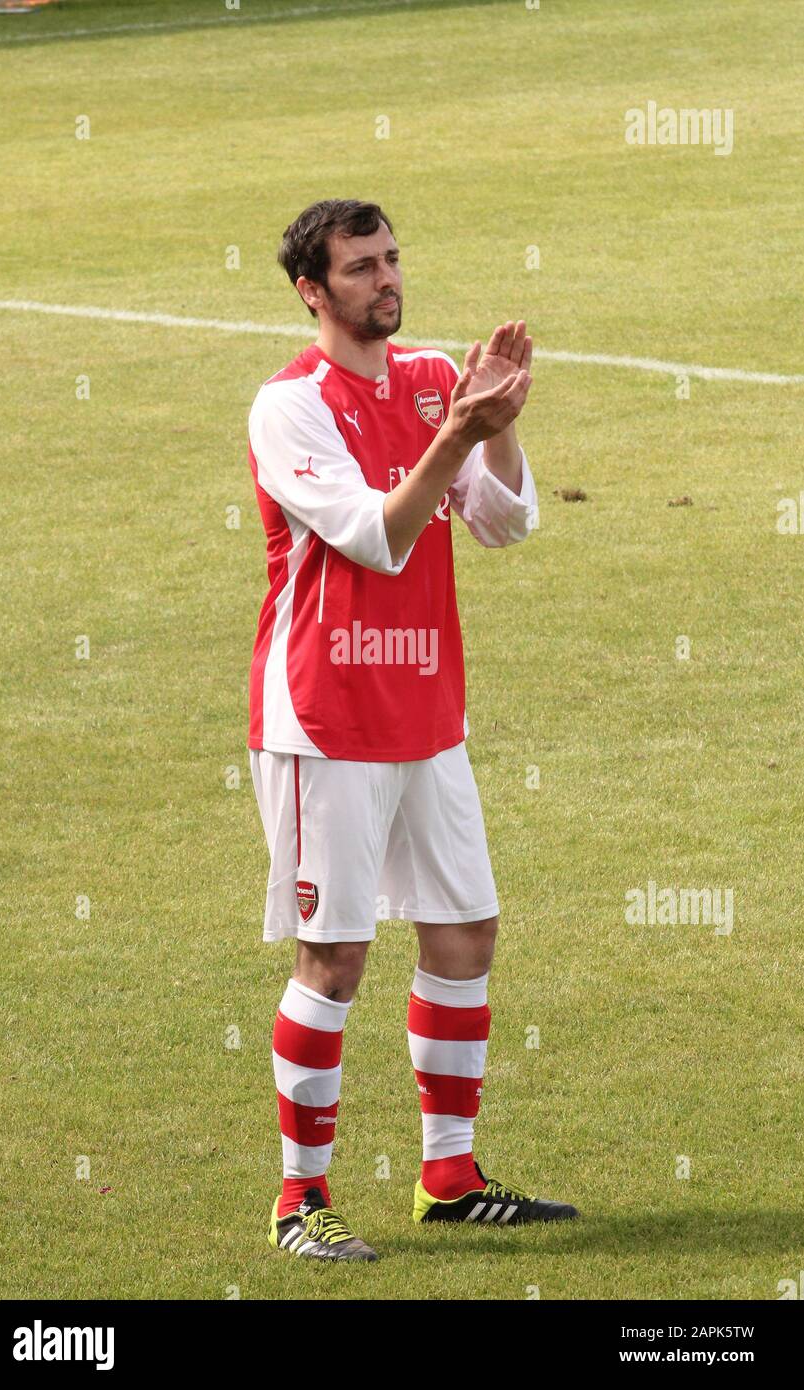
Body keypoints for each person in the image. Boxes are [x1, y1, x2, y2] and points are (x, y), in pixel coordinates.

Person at [246, 198, 579, 1262]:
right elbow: (376, 539)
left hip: (428, 711)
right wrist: (457, 432)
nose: (386, 279)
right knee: (335, 956)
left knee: (464, 931)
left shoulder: (437, 375)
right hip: (326, 719)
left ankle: (449, 1177)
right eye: (360, 267)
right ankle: (300, 1203)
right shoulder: (288, 407)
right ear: (313, 290)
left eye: (392, 259)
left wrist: (499, 417)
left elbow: (507, 522)